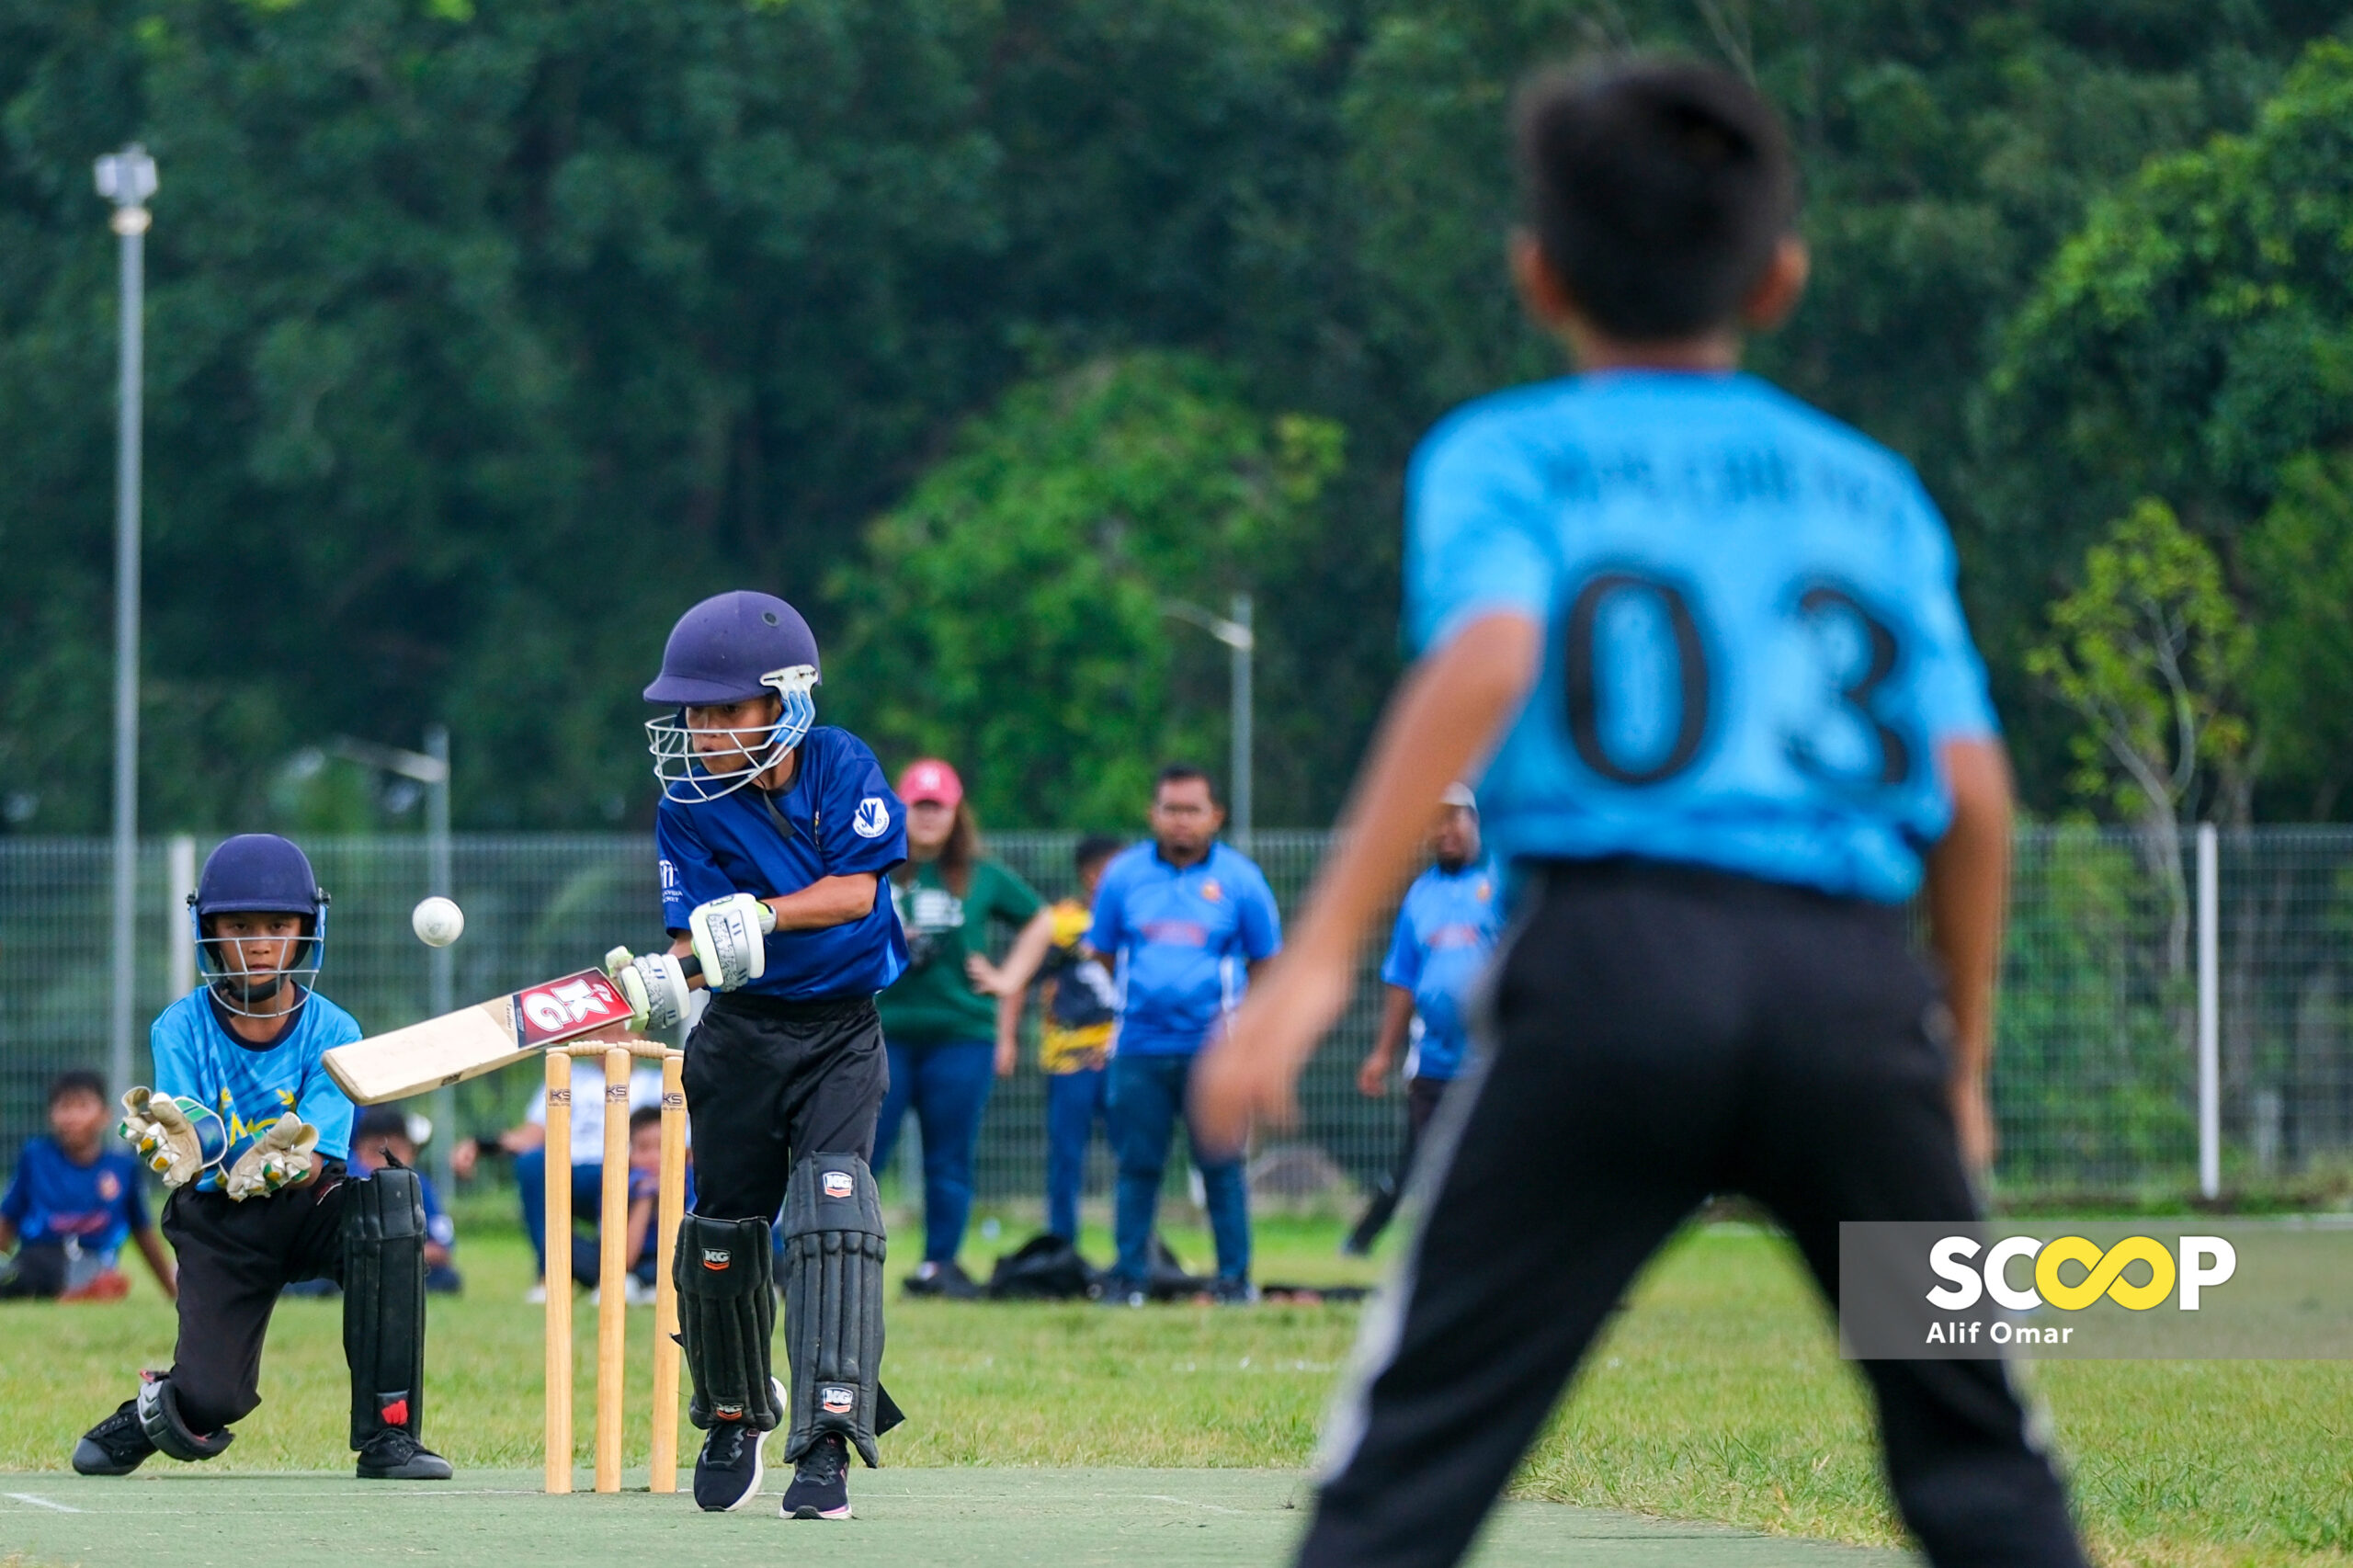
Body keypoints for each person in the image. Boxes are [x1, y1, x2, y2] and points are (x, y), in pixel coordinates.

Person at [1192, 58, 2086, 1568]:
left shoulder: (1505, 452)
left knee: (1413, 1459)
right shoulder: (1870, 490)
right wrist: (1963, 1057)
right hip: (1853, 999)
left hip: (1609, 975)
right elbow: (1977, 796)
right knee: (1974, 1449)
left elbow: (1488, 654)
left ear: (1538, 275)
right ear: (1782, 277)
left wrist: (1320, 961)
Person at [601, 589, 910, 1519]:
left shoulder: (840, 762)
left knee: (834, 1210)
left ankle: (826, 1440)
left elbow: (855, 892)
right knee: (723, 1234)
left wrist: (766, 912)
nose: (700, 730)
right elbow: (696, 941)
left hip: (841, 1031)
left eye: (723, 710)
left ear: (786, 700)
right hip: (738, 1035)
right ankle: (735, 1409)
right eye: (690, 711)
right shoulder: (686, 809)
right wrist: (666, 977)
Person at [70, 834, 451, 1482]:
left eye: (278, 925)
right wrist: (189, 1146)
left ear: (306, 930)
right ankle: (152, 1412)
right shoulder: (179, 1026)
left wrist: (282, 1163)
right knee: (211, 1401)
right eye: (239, 926)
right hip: (221, 1224)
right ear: (209, 930)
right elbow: (191, 1130)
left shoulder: (336, 1030)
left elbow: (317, 1154)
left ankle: (389, 1438)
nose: (259, 943)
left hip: (308, 1204)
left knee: (391, 1206)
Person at [1088, 767, 1280, 1304]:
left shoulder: (1241, 881)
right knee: (1136, 1167)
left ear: (1215, 815)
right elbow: (1103, 951)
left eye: (1192, 809)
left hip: (1213, 1054)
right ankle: (1128, 1277)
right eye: (1171, 809)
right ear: (1154, 814)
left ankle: (1234, 1280)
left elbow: (1266, 960)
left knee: (1222, 1168)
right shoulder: (1123, 876)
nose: (1181, 820)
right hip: (1138, 1050)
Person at [873, 758, 1051, 1300]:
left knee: (947, 1157)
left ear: (955, 814)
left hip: (961, 1036)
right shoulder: (873, 867)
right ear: (900, 810)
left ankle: (938, 1266)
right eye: (918, 806)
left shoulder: (983, 875)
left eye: (938, 807)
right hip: (884, 1032)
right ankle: (838, 1256)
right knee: (860, 1154)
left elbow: (1042, 920)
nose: (927, 817)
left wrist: (1008, 977)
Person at [1341, 786, 1497, 1256]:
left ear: (1475, 821)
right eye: (1435, 819)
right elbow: (1402, 979)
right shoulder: (1419, 896)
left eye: (1455, 818)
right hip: (1433, 1063)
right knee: (1428, 1165)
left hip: (1494, 1058)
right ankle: (1439, 1252)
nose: (1445, 830)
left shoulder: (1502, 880)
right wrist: (1382, 1053)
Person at [989, 835, 1124, 1245]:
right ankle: (1062, 1247)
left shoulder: (1136, 920)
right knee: (1067, 1158)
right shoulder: (1058, 925)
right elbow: (1017, 981)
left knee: (1133, 1157)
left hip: (1124, 1058)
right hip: (1069, 1062)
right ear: (1091, 874)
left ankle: (1136, 1247)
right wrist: (1006, 1039)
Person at [454, 1055, 665, 1301]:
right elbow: (528, 1137)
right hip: (571, 1171)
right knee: (532, 1163)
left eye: (621, 1032)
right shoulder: (567, 1074)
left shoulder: (657, 1082)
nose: (613, 1041)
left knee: (629, 1181)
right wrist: (481, 1145)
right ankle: (552, 1273)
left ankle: (637, 1276)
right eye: (605, 1032)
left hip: (625, 1172)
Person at [0, 1069, 176, 1301]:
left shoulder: (122, 1167)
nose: (72, 1117)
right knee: (21, 1273)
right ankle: (71, 1294)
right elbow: (8, 1219)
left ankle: (80, 1291)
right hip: (39, 1257)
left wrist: (172, 1290)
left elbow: (142, 1231)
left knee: (99, 1276)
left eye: (82, 1106)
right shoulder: (36, 1157)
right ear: (51, 1114)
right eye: (64, 1107)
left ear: (105, 1115)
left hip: (94, 1260)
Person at [349, 1108, 462, 1295]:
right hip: (355, 1268)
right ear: (358, 1151)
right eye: (375, 1153)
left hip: (403, 1266)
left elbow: (441, 1249)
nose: (384, 1163)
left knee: (446, 1278)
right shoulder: (347, 1183)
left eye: (394, 1152)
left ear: (410, 1151)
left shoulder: (420, 1186)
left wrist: (394, 1254)